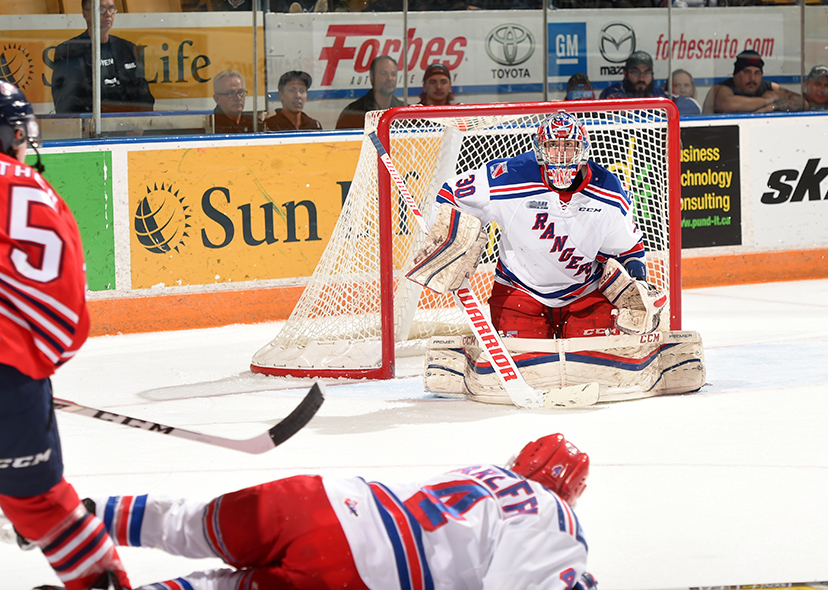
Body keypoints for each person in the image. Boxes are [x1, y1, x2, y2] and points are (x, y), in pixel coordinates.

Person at [85, 433, 592, 590]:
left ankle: (80, 514)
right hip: (354, 571)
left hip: (319, 500)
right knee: (222, 589)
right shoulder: (555, 516)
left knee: (190, 522)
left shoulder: (481, 472)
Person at [0, 81, 132, 590]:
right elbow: (67, 313)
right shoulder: (35, 192)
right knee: (40, 504)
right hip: (13, 379)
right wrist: (27, 370)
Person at [436, 112, 659, 339]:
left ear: (583, 149)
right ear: (540, 148)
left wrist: (639, 282)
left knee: (594, 365)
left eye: (569, 145)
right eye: (553, 145)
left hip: (586, 294)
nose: (561, 154)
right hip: (518, 290)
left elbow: (627, 249)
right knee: (525, 365)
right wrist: (453, 239)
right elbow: (450, 194)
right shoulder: (507, 177)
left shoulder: (610, 192)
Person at [51, 0, 155, 115]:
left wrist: (138, 122)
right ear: (86, 14)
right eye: (100, 9)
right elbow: (65, 102)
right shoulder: (69, 51)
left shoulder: (128, 48)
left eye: (111, 9)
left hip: (127, 126)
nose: (108, 14)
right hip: (91, 129)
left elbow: (144, 95)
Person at [600, 51, 701, 116]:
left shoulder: (658, 93)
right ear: (625, 73)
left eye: (647, 72)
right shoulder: (613, 92)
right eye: (635, 72)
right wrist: (661, 111)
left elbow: (694, 106)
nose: (641, 78)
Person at [704, 48, 804, 113]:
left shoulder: (768, 86)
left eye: (757, 73)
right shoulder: (721, 88)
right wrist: (766, 101)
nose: (752, 78)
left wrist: (773, 106)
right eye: (747, 72)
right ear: (736, 74)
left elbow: (802, 102)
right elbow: (727, 104)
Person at [336, 55, 404, 129]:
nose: (390, 78)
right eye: (383, 73)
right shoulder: (352, 113)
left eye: (393, 74)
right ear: (372, 77)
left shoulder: (403, 110)